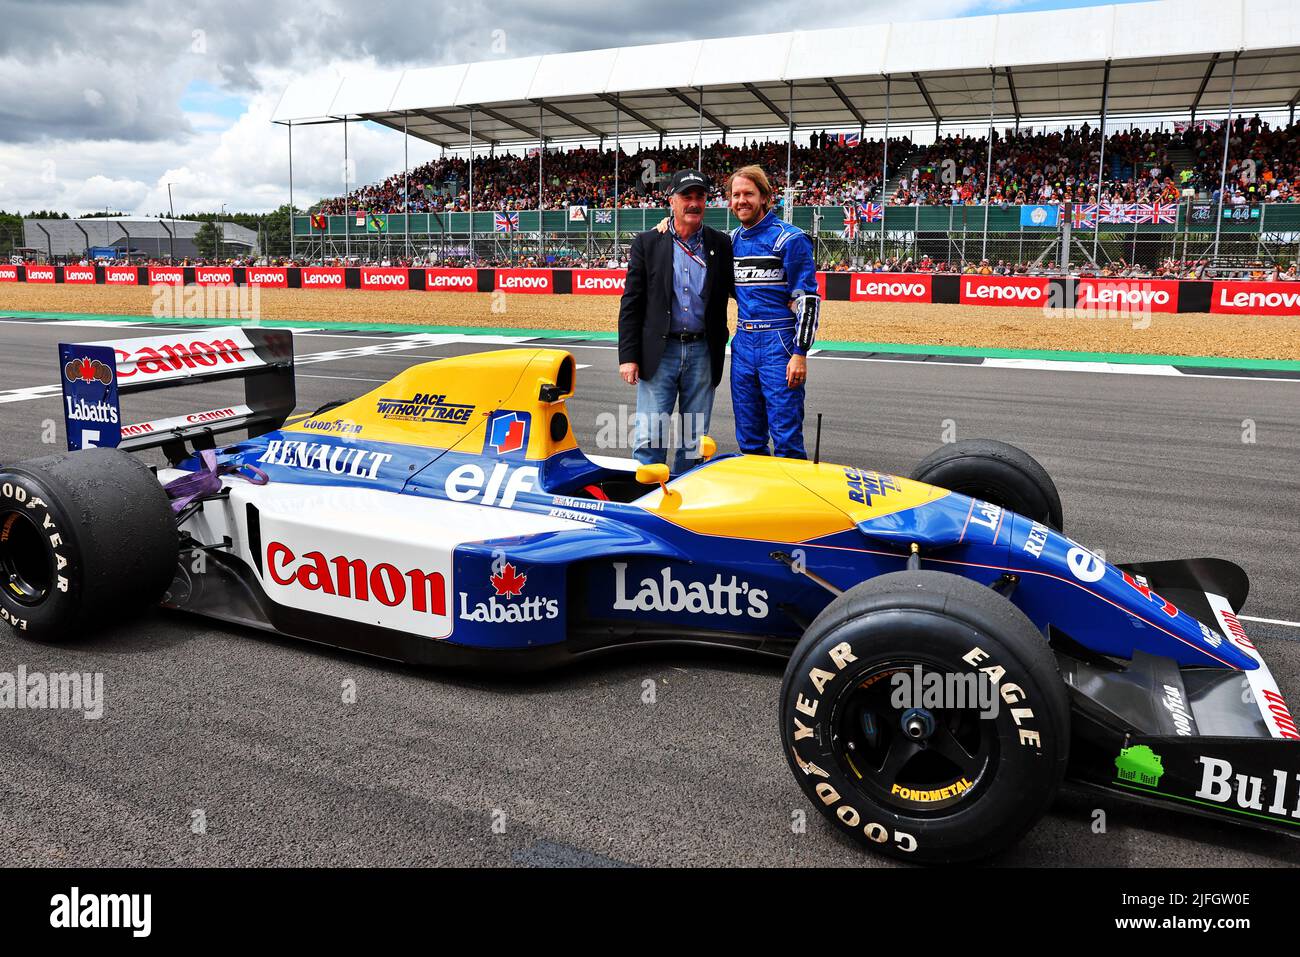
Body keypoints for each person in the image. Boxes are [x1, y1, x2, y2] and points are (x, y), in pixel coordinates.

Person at [617, 169, 734, 474]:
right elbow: (632, 302)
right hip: (661, 351)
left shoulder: (721, 243)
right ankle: (647, 501)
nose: (693, 203)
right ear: (672, 200)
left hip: (703, 351)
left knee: (694, 440)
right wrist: (628, 357)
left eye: (700, 196)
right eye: (686, 196)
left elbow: (741, 287)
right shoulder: (647, 242)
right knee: (649, 436)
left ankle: (685, 498)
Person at [727, 164, 821, 459]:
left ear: (766, 197)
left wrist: (800, 353)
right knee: (749, 438)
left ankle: (794, 503)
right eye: (736, 194)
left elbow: (807, 299)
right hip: (742, 342)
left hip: (779, 344)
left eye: (749, 194)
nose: (741, 200)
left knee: (786, 438)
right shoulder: (729, 241)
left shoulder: (791, 239)